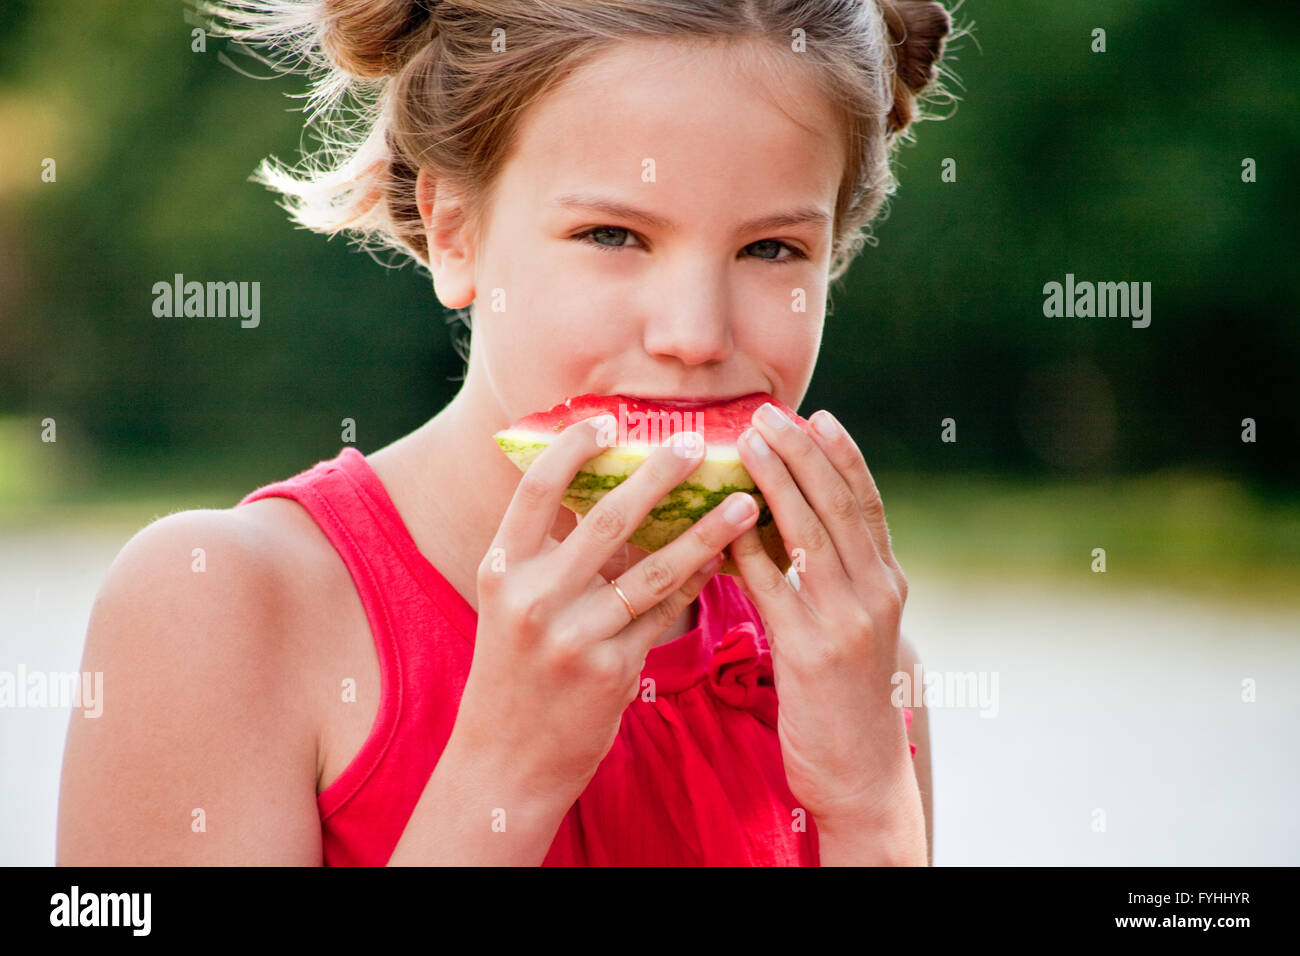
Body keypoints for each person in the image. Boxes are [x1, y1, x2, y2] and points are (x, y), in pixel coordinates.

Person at [57, 0, 961, 866]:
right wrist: (509, 774)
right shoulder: (220, 607)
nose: (694, 335)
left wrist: (870, 807)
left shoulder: (854, 665)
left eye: (771, 249)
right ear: (454, 232)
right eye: (613, 234)